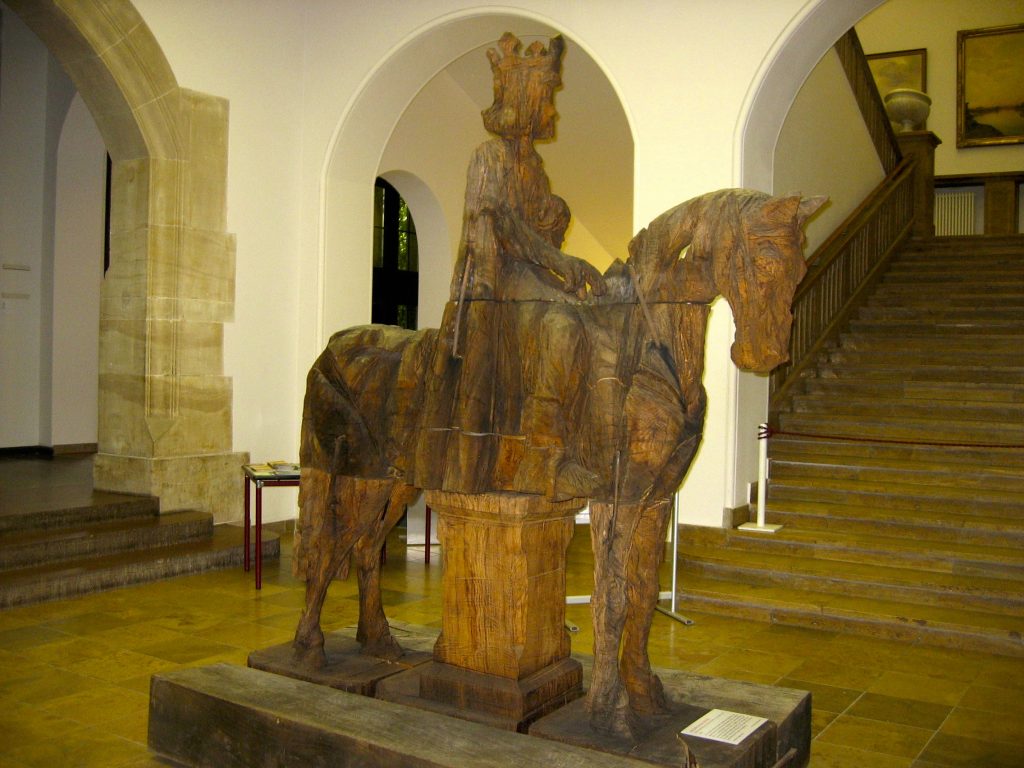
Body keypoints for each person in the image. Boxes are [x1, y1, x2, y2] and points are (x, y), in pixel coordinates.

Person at [409, 32, 604, 500]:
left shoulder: (533, 165)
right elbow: (502, 225)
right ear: (525, 99)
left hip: (526, 278)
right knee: (562, 326)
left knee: (583, 319)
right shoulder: (489, 157)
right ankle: (540, 459)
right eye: (548, 100)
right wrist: (559, 259)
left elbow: (534, 226)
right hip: (494, 285)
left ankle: (569, 445)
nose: (554, 112)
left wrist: (555, 221)